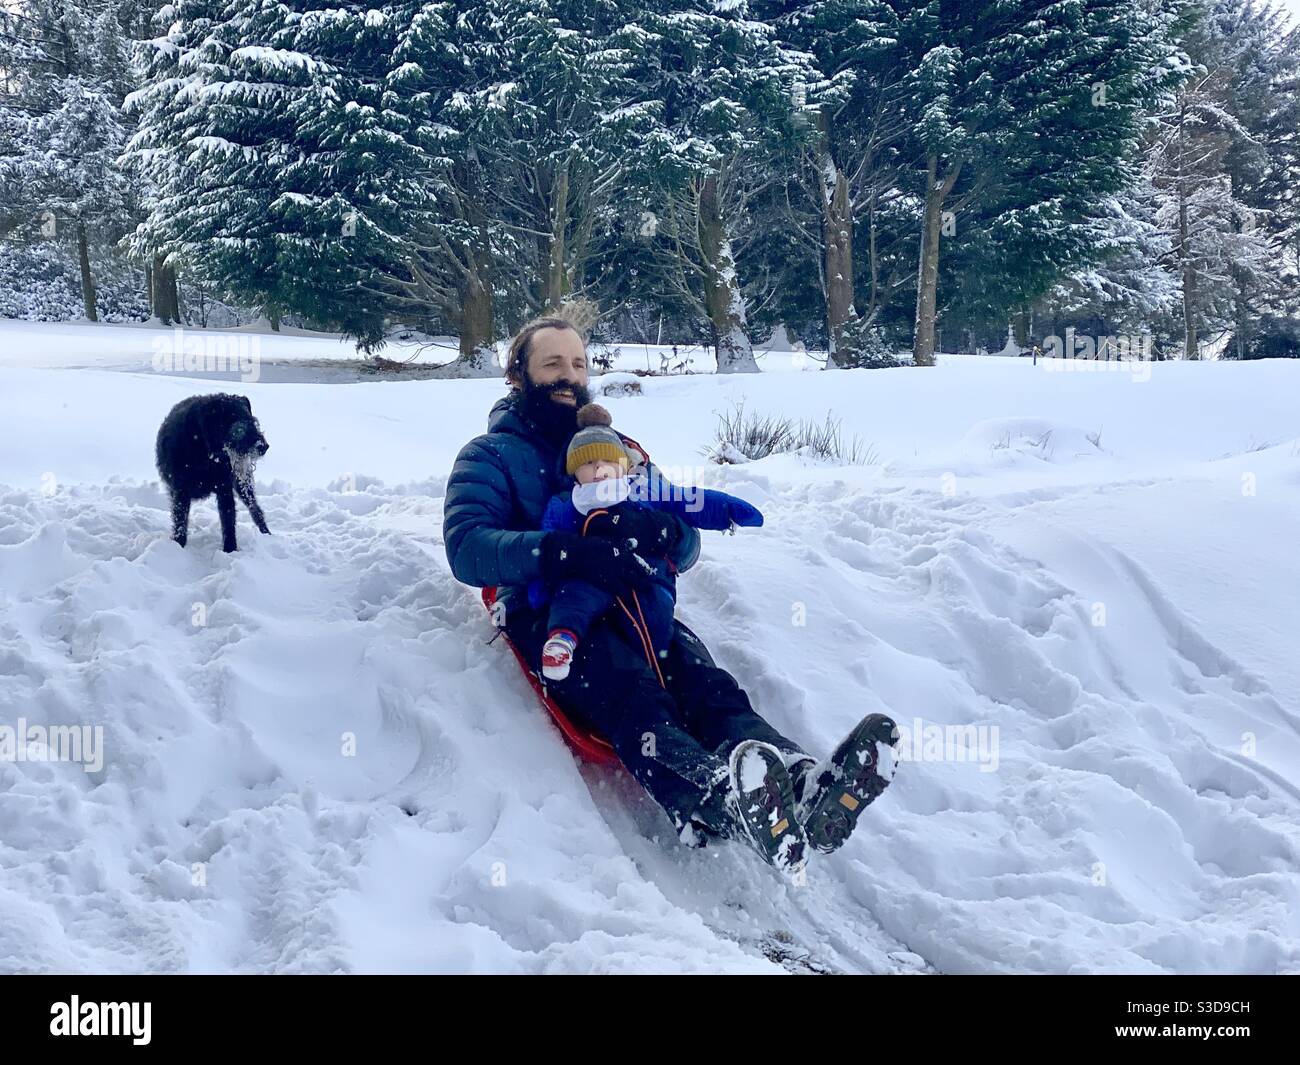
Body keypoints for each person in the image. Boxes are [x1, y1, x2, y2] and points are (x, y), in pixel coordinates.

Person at [443, 315, 898, 872]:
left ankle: (801, 784)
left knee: (708, 686)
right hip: (556, 612)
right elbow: (467, 547)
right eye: (553, 363)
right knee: (632, 693)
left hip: (638, 600)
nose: (569, 376)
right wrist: (564, 551)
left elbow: (685, 539)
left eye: (578, 364)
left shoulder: (620, 449)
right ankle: (715, 796)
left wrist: (661, 532)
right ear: (518, 375)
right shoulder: (490, 455)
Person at [527, 401, 763, 682]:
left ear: (623, 466)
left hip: (646, 572)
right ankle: (562, 641)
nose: (599, 468)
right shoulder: (568, 503)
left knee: (656, 610)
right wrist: (540, 591)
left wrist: (727, 510)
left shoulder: (642, 490)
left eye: (608, 461)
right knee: (573, 597)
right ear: (574, 471)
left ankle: (656, 661)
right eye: (588, 463)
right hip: (591, 574)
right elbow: (549, 543)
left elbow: (688, 500)